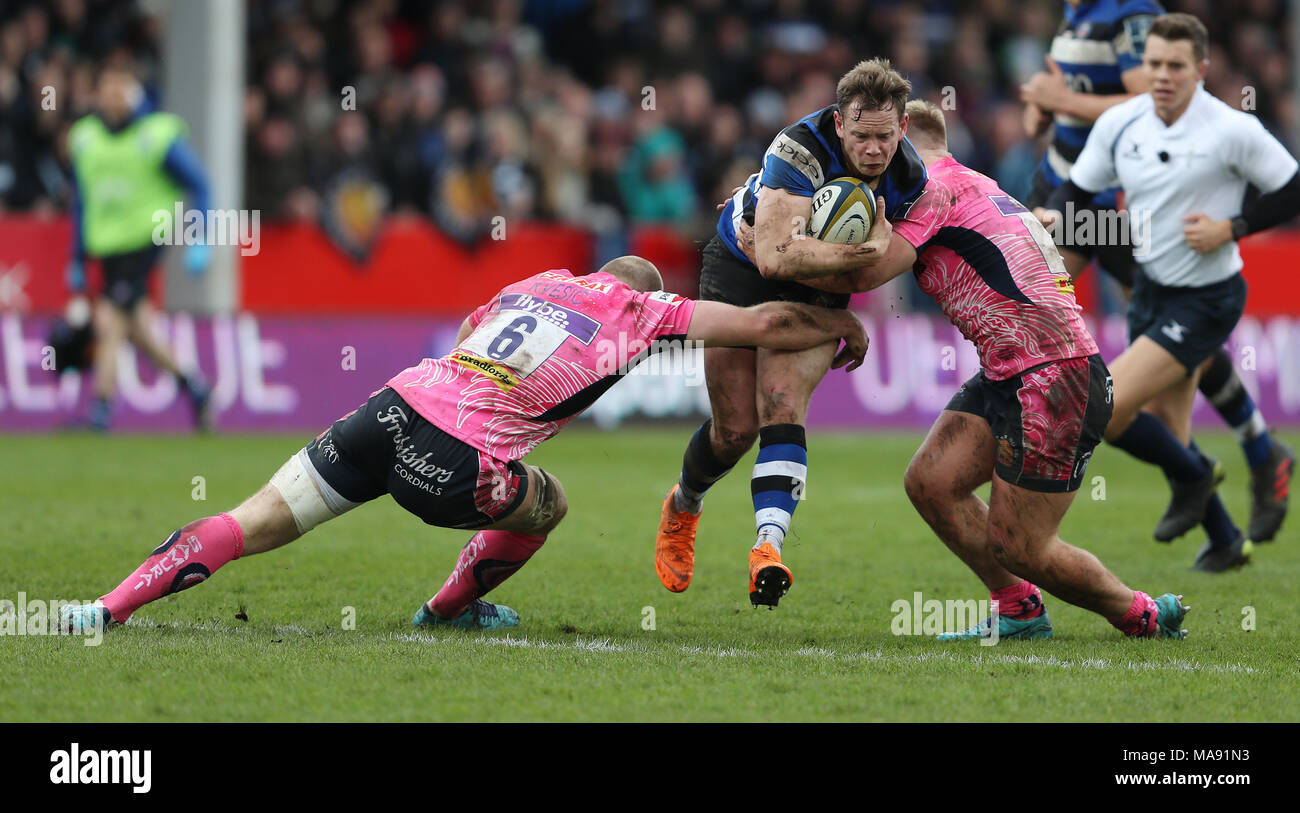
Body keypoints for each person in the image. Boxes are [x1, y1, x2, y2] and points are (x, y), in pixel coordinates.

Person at [61, 257, 869, 634]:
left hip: (391, 407)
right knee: (549, 504)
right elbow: (763, 324)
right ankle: (447, 610)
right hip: (455, 456)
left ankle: (107, 605)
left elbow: (464, 331)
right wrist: (841, 322)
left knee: (250, 519)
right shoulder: (639, 311)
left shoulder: (539, 282)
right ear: (643, 292)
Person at [826, 100, 1187, 640]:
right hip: (1013, 370)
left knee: (1020, 545)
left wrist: (785, 247)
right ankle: (1019, 608)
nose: (869, 160)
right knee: (932, 481)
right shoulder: (972, 180)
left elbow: (867, 273)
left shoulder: (933, 190)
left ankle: (1144, 614)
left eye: (880, 146)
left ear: (903, 141)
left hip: (1055, 377)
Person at [654, 58, 926, 608]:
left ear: (901, 128)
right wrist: (864, 249)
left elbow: (877, 268)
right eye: (862, 136)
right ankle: (684, 505)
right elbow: (775, 262)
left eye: (885, 137)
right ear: (840, 123)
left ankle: (767, 547)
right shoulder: (797, 148)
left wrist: (839, 264)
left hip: (818, 288)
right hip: (740, 265)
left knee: (781, 401)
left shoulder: (910, 177)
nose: (874, 150)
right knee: (734, 430)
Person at [1023, 2, 1294, 542]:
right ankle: (1230, 521)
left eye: (1175, 66)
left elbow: (1292, 186)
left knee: (1106, 400)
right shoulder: (1086, 42)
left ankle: (1221, 467)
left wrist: (1232, 227)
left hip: (1190, 281)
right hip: (1141, 266)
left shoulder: (1226, 126)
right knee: (1167, 426)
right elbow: (1077, 186)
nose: (1162, 76)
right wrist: (1054, 205)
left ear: (1201, 69)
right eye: (1156, 66)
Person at [66, 63, 214, 432]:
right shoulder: (86, 139)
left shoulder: (155, 135)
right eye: (108, 90)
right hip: (108, 247)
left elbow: (200, 184)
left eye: (121, 89)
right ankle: (195, 388)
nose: (114, 99)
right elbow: (83, 200)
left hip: (145, 240)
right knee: (139, 328)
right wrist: (78, 255)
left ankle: (100, 410)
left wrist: (202, 236)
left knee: (109, 318)